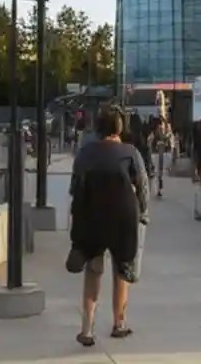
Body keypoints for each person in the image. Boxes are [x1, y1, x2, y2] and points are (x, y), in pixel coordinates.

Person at [66, 109, 149, 347]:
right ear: (120, 128)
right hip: (123, 217)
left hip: (92, 218)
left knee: (93, 269)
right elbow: (143, 186)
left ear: (98, 128)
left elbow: (75, 187)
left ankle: (87, 328)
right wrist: (143, 214)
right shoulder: (130, 153)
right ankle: (119, 323)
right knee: (122, 269)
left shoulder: (85, 153)